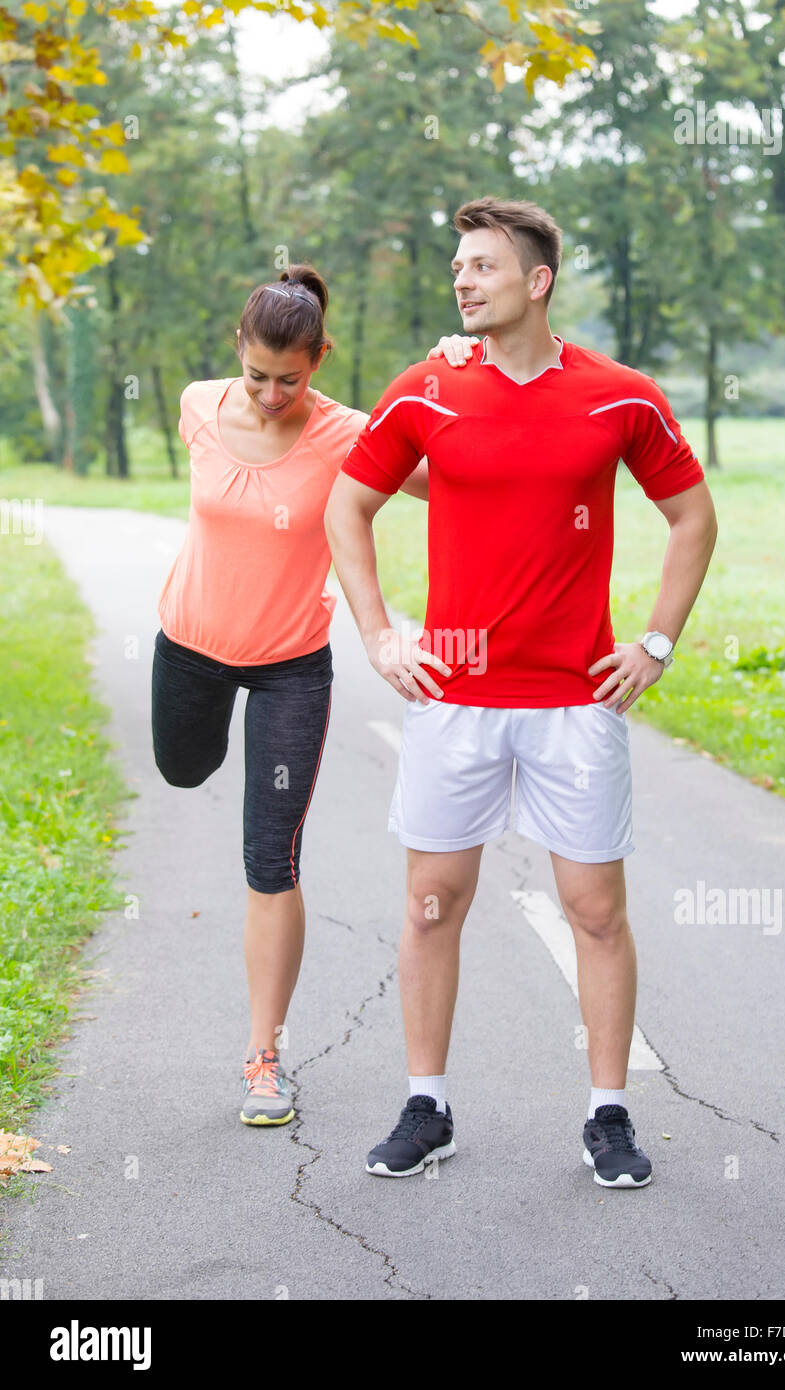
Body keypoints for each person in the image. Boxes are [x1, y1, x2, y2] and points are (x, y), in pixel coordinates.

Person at [324, 197, 718, 1186]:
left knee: (591, 909)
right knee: (429, 902)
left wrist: (655, 642)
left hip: (575, 700)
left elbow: (691, 516)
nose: (461, 279)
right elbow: (348, 502)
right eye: (456, 265)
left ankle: (609, 1114)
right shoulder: (426, 389)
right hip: (452, 693)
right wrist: (376, 631)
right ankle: (426, 1104)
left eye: (482, 266)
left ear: (536, 281)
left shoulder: (618, 396)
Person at [151, 264, 475, 1126]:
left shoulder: (344, 435)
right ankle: (205, 737)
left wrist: (460, 372)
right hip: (189, 650)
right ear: (237, 353)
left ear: (320, 359)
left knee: (271, 858)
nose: (267, 394)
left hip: (292, 669)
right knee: (182, 770)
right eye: (256, 374)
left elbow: (453, 477)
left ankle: (264, 1057)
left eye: (289, 379)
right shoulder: (196, 404)